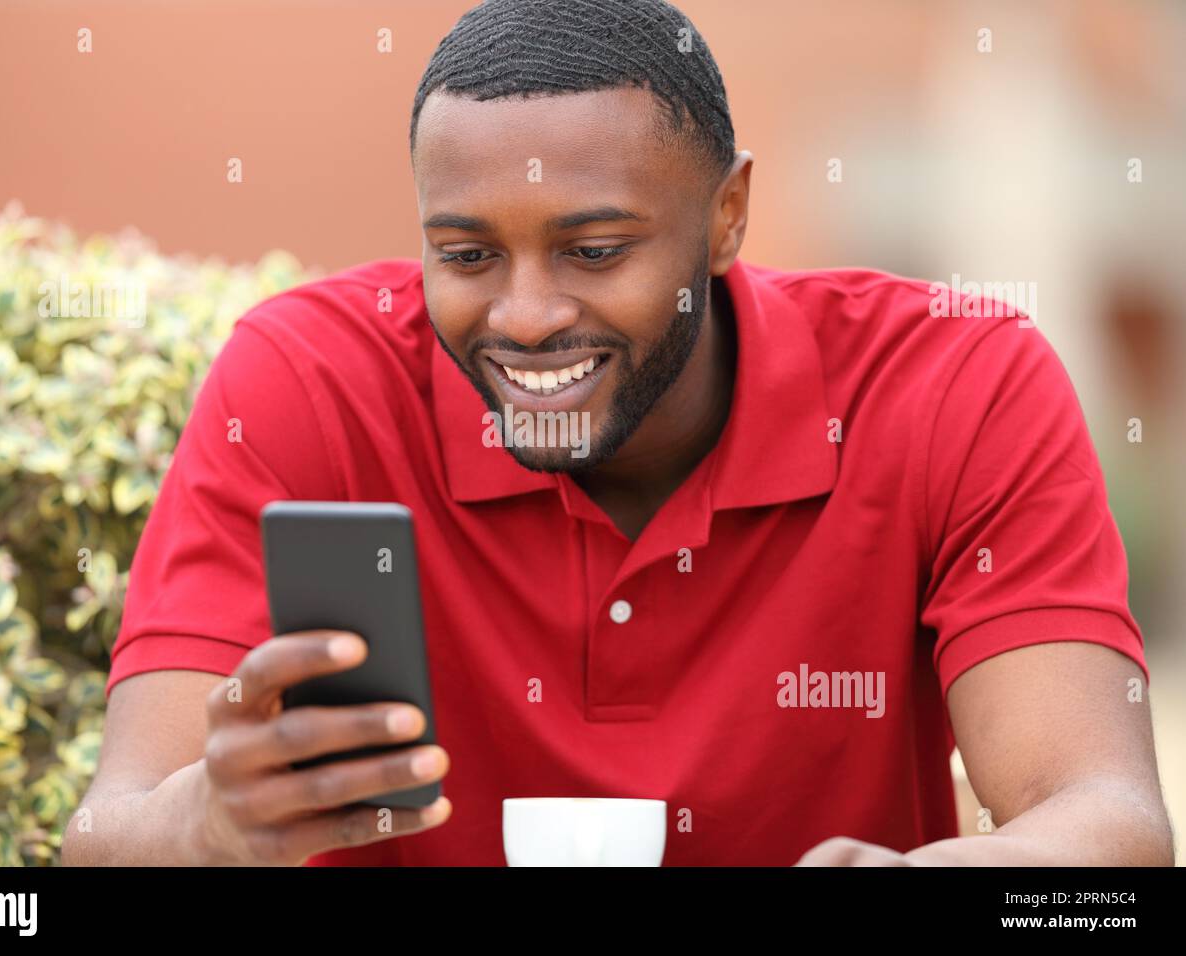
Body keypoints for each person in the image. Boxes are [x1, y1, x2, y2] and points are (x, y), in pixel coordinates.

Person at [63, 0, 1173, 866]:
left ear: (727, 215)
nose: (527, 314)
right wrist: (210, 824)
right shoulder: (308, 381)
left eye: (595, 250)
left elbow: (1107, 833)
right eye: (466, 254)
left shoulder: (953, 383)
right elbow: (102, 841)